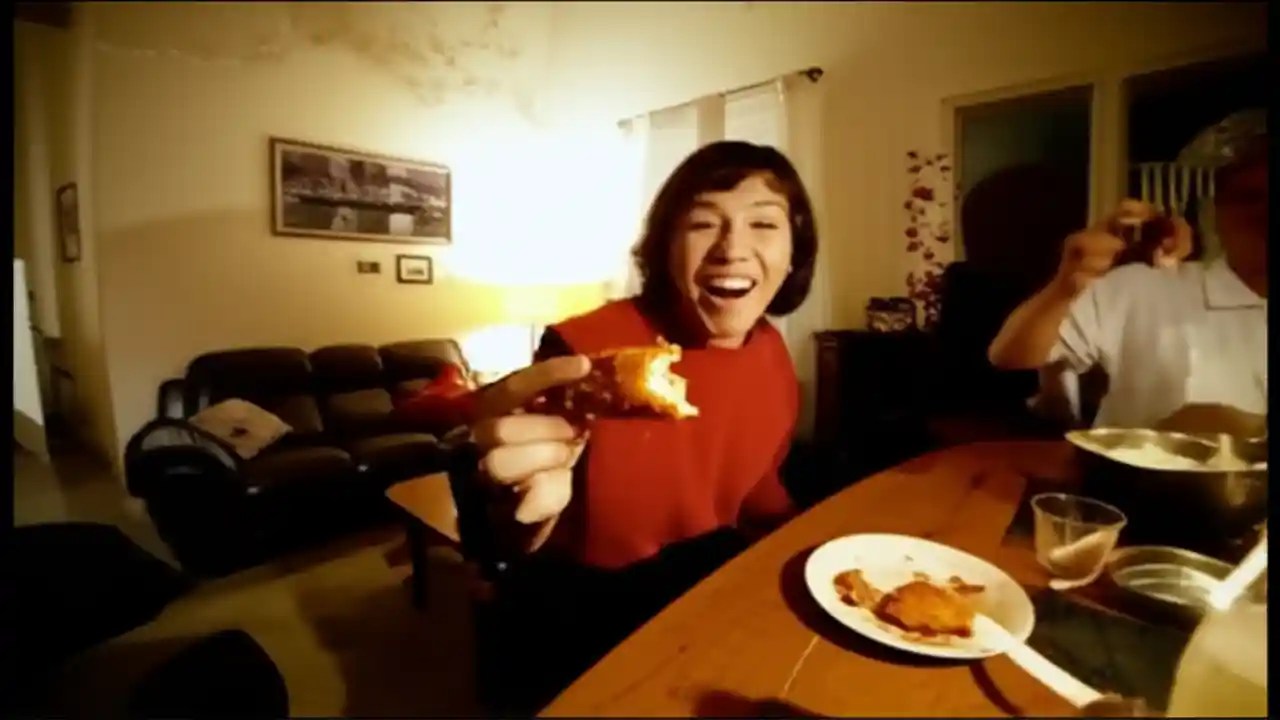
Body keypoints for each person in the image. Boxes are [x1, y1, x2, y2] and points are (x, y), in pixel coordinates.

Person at [450, 140, 818, 712]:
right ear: (666, 248)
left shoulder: (771, 351)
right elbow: (508, 500)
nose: (732, 249)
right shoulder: (585, 347)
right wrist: (503, 514)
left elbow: (755, 482)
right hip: (584, 602)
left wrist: (807, 546)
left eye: (764, 224)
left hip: (706, 580)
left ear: (794, 252)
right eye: (703, 223)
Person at [987, 130, 1267, 435]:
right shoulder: (1146, 287)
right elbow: (1011, 356)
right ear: (1216, 213)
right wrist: (1066, 286)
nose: (1264, 212)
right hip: (1130, 479)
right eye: (1250, 198)